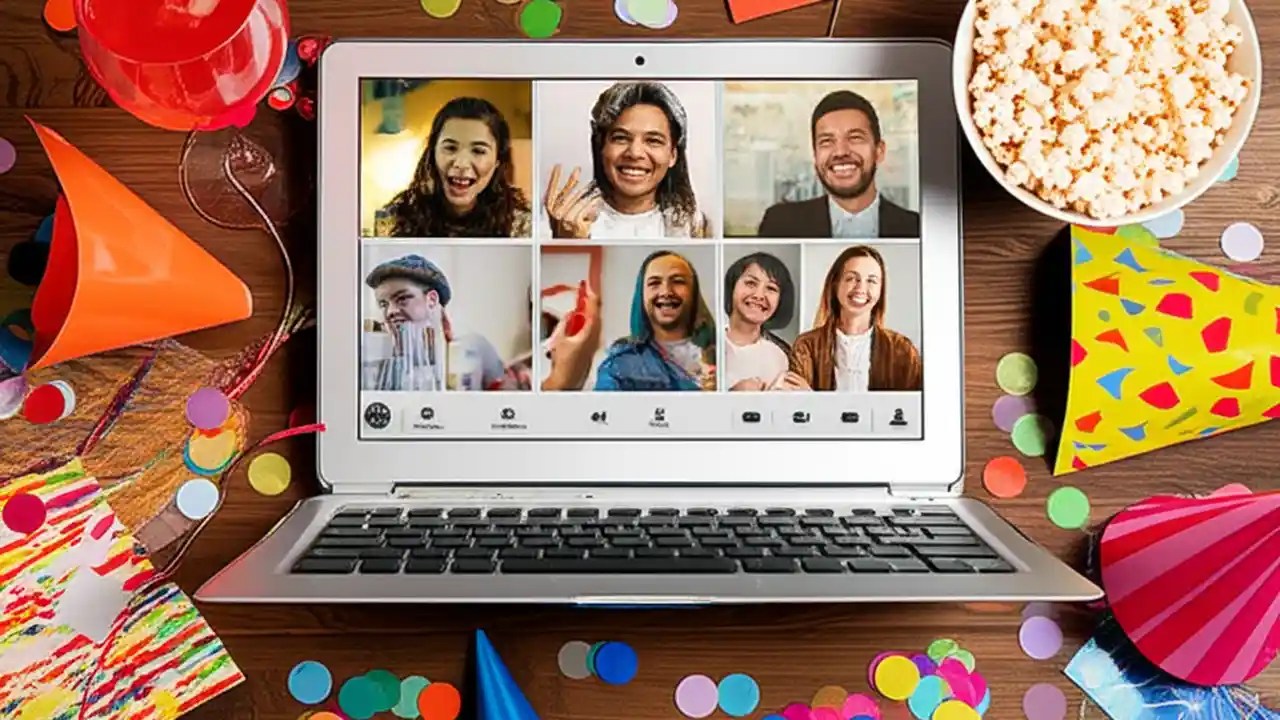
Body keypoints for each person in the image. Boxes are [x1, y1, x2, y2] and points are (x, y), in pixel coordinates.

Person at [544, 82, 711, 240]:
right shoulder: (567, 221)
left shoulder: (696, 227)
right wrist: (565, 245)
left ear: (673, 155)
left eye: (653, 140)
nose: (635, 153)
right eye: (621, 138)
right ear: (601, 147)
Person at [757, 90, 919, 239]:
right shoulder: (780, 225)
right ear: (815, 155)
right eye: (827, 141)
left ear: (879, 151)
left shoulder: (917, 228)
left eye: (855, 138)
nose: (841, 152)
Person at [373, 97, 532, 238]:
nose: (461, 164)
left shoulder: (521, 225)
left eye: (478, 151)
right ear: (432, 152)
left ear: (498, 161)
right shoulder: (397, 219)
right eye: (450, 148)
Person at [363, 254, 526, 391]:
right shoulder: (377, 358)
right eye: (383, 304)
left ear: (432, 299)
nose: (390, 312)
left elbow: (507, 396)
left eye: (403, 298)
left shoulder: (473, 345)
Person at [788, 245, 922, 392]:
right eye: (851, 278)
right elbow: (798, 407)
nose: (860, 288)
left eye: (871, 281)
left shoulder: (902, 350)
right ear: (835, 284)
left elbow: (915, 409)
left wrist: (813, 398)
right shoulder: (806, 346)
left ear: (881, 290)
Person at [594, 250, 716, 391]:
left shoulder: (724, 351)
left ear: (694, 292)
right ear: (641, 295)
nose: (666, 291)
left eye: (678, 281)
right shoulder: (620, 365)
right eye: (654, 283)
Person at [722, 252, 807, 392]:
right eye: (751, 283)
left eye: (771, 288)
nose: (759, 295)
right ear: (732, 287)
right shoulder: (705, 346)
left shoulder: (779, 356)